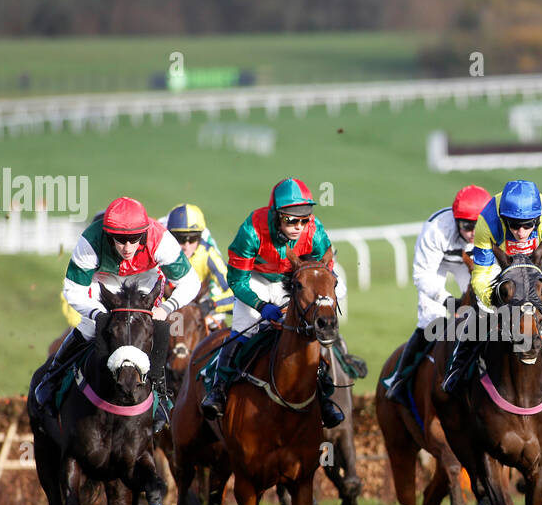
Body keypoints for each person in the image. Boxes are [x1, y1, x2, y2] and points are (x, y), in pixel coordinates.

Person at [34, 196, 198, 432]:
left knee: (155, 325)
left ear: (145, 233)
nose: (128, 247)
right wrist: (97, 314)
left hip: (145, 279)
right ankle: (52, 378)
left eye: (134, 239)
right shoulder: (90, 241)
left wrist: (166, 308)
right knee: (92, 326)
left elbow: (190, 282)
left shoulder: (161, 240)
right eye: (120, 240)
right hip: (106, 279)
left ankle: (160, 394)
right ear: (107, 234)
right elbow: (72, 289)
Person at [199, 177, 347, 427]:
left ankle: (324, 397)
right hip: (254, 279)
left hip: (291, 280)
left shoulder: (314, 230)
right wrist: (259, 306)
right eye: (291, 220)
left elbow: (324, 271)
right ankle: (219, 389)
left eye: (303, 219)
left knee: (312, 330)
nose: (299, 226)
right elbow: (236, 280)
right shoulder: (252, 230)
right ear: (277, 215)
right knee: (243, 328)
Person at [440, 179, 542, 403]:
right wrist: (495, 299)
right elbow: (481, 275)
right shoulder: (487, 221)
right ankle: (457, 369)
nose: (520, 232)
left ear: (537, 220)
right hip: (501, 260)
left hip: (535, 263)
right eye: (514, 225)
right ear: (503, 219)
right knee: (482, 312)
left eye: (527, 225)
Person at [383, 183, 489, 405]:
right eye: (466, 227)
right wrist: (450, 302)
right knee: (431, 320)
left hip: (468, 263)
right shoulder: (436, 229)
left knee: (485, 312)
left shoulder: (490, 230)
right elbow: (422, 276)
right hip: (436, 264)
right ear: (456, 220)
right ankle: (399, 379)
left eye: (476, 227)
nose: (472, 234)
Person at [163, 203, 234, 329]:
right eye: (180, 239)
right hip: (167, 313)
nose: (186, 246)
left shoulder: (207, 254)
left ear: (200, 237)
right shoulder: (159, 253)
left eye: (193, 239)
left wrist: (212, 304)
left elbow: (235, 292)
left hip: (198, 312)